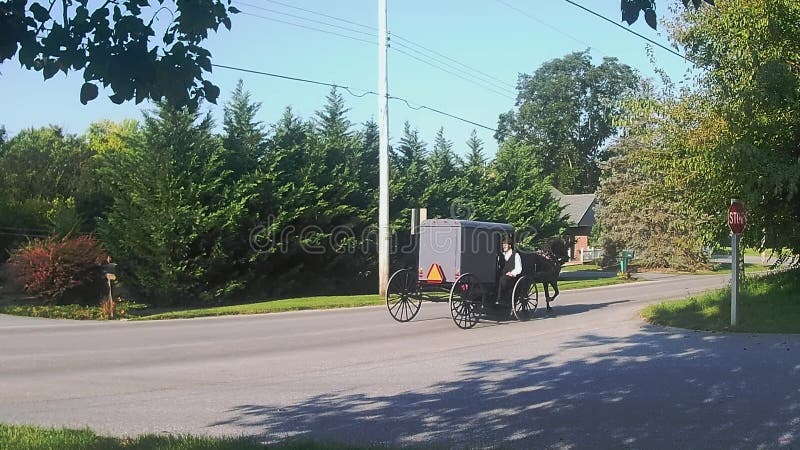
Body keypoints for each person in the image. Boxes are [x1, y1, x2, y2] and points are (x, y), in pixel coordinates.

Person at [497, 235, 522, 303]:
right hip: (502, 274)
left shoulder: (516, 255)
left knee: (502, 279)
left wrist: (512, 273)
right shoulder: (502, 255)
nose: (503, 246)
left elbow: (519, 268)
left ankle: (501, 298)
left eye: (505, 245)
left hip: (511, 277)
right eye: (503, 245)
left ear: (510, 245)